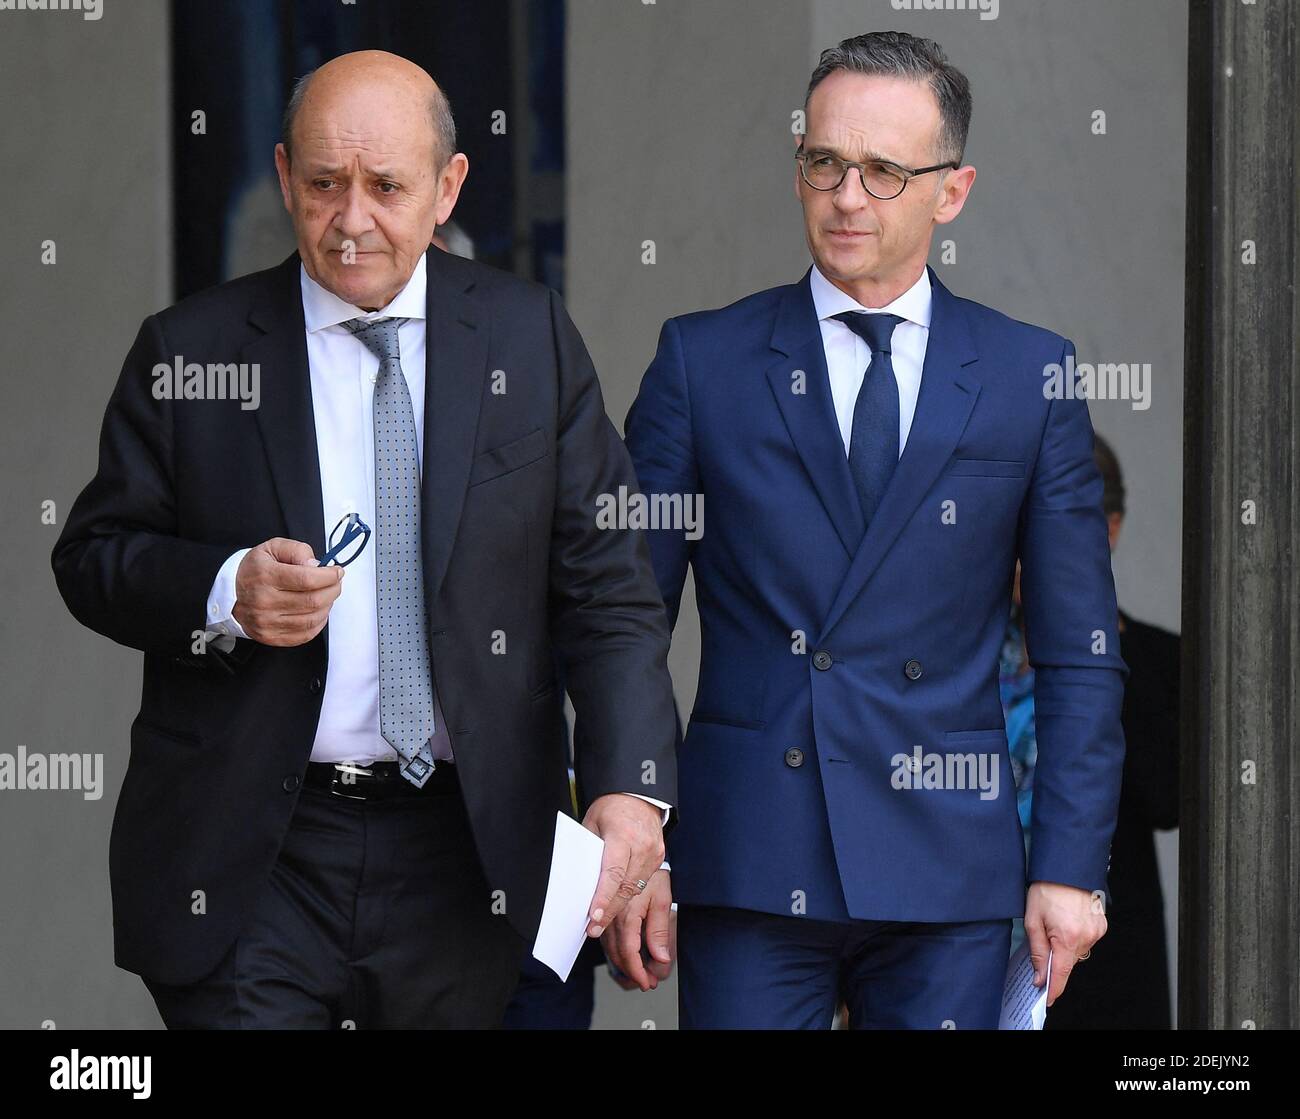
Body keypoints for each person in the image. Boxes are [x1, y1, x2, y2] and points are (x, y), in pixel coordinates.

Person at [50, 50, 676, 1028]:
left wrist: (630, 792)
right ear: (283, 175)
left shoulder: (528, 341)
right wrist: (223, 589)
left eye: (386, 187)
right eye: (324, 184)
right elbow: (92, 559)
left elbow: (608, 592)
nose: (351, 222)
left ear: (447, 187)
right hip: (257, 851)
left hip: (470, 848)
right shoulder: (191, 350)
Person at [622, 31, 1127, 1028]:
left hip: (948, 871)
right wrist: (633, 824)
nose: (846, 197)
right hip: (749, 858)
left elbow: (1078, 652)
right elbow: (625, 620)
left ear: (952, 190)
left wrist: (1071, 867)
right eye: (823, 162)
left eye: (885, 171)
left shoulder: (1030, 377)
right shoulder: (702, 362)